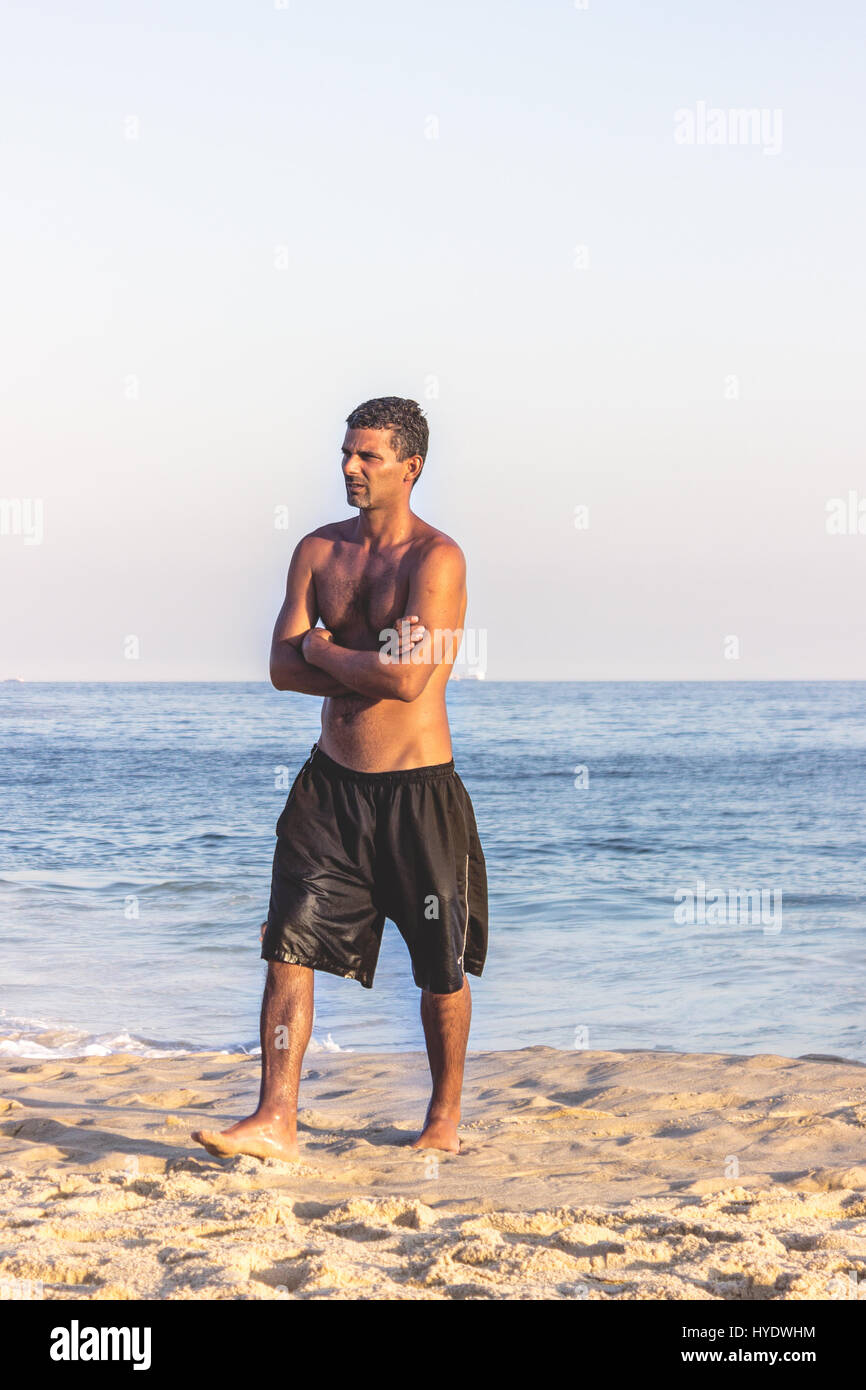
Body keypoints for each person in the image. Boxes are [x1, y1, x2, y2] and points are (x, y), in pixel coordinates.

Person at [192, 396, 487, 1160]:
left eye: (369, 457)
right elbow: (278, 668)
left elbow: (407, 681)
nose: (350, 468)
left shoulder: (437, 559)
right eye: (346, 453)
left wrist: (326, 652)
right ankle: (275, 1118)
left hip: (417, 792)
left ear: (410, 467)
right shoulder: (318, 552)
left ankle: (444, 1118)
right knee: (288, 943)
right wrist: (346, 661)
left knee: (439, 964)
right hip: (329, 789)